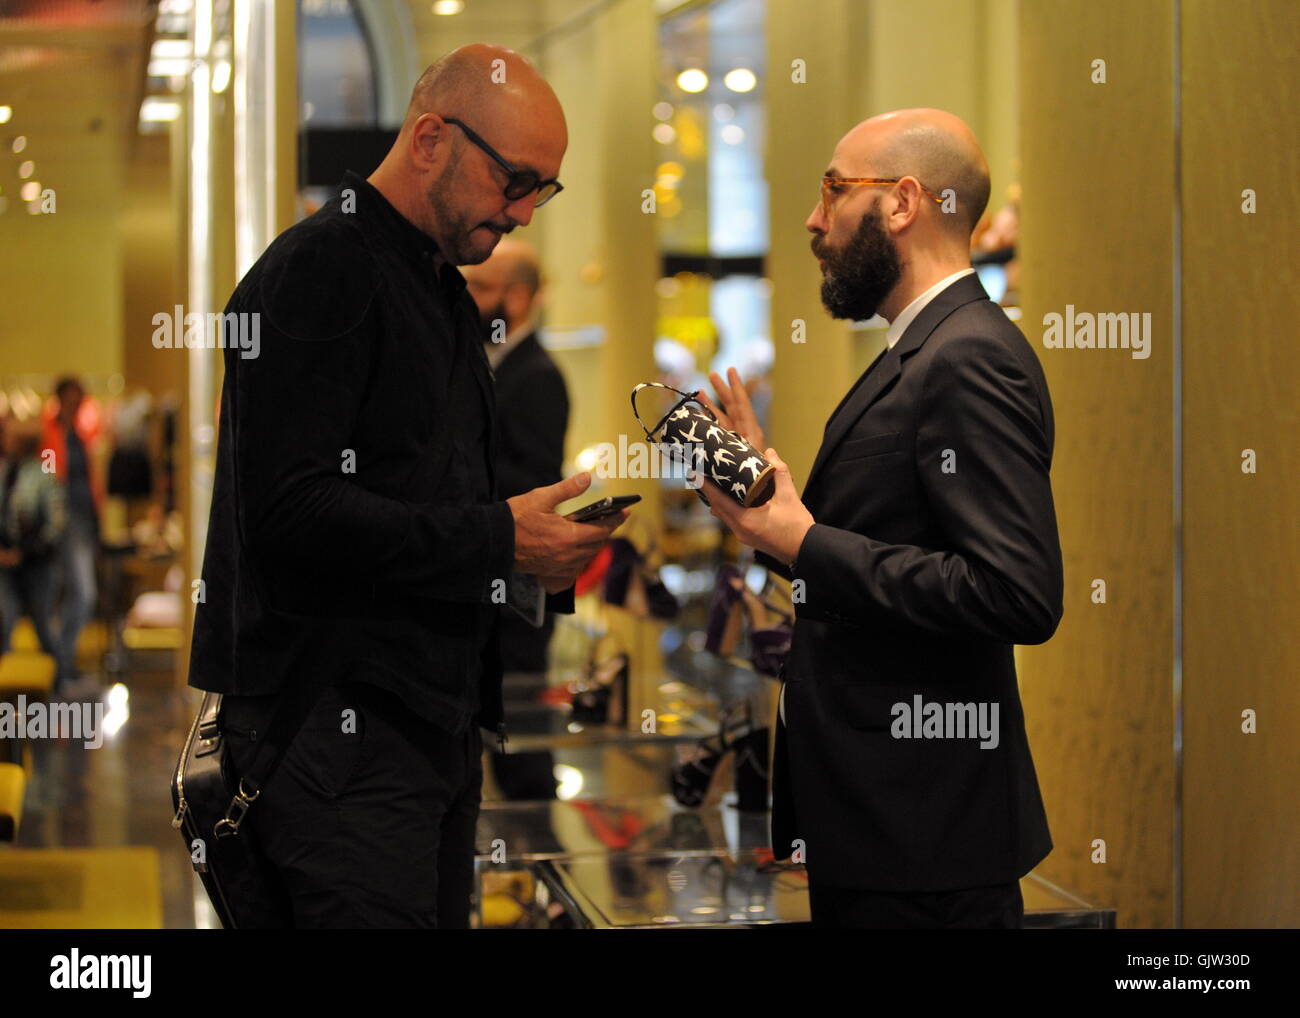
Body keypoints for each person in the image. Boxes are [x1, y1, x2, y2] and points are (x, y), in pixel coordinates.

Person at [188, 43, 627, 928]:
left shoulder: (438, 289)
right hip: (337, 736)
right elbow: (288, 510)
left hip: (424, 724)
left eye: (543, 190)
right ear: (430, 137)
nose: (525, 214)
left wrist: (527, 559)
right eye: (515, 181)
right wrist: (501, 541)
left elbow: (435, 505)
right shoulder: (323, 268)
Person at [698, 108, 1063, 929]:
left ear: (903, 203)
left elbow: (1017, 591)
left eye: (833, 190)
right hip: (882, 827)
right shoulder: (919, 348)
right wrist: (772, 502)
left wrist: (804, 540)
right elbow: (889, 545)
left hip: (924, 837)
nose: (812, 218)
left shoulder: (967, 354)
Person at [463, 239, 570, 802]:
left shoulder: (538, 375)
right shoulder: (492, 363)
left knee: (520, 744)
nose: (469, 298)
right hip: (486, 580)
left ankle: (538, 867)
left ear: (520, 297)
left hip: (515, 586)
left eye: (482, 287)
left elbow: (527, 482)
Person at [40, 377, 102, 694]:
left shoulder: (80, 432)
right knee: (74, 594)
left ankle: (63, 667)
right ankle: (61, 669)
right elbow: (47, 478)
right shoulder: (48, 431)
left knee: (75, 596)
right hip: (62, 523)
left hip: (82, 518)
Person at [0, 416, 67, 671]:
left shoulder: (43, 476)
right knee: (6, 618)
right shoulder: (5, 472)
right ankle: (7, 683)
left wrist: (27, 552)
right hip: (6, 560)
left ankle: (56, 680)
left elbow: (55, 525)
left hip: (37, 561)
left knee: (43, 623)